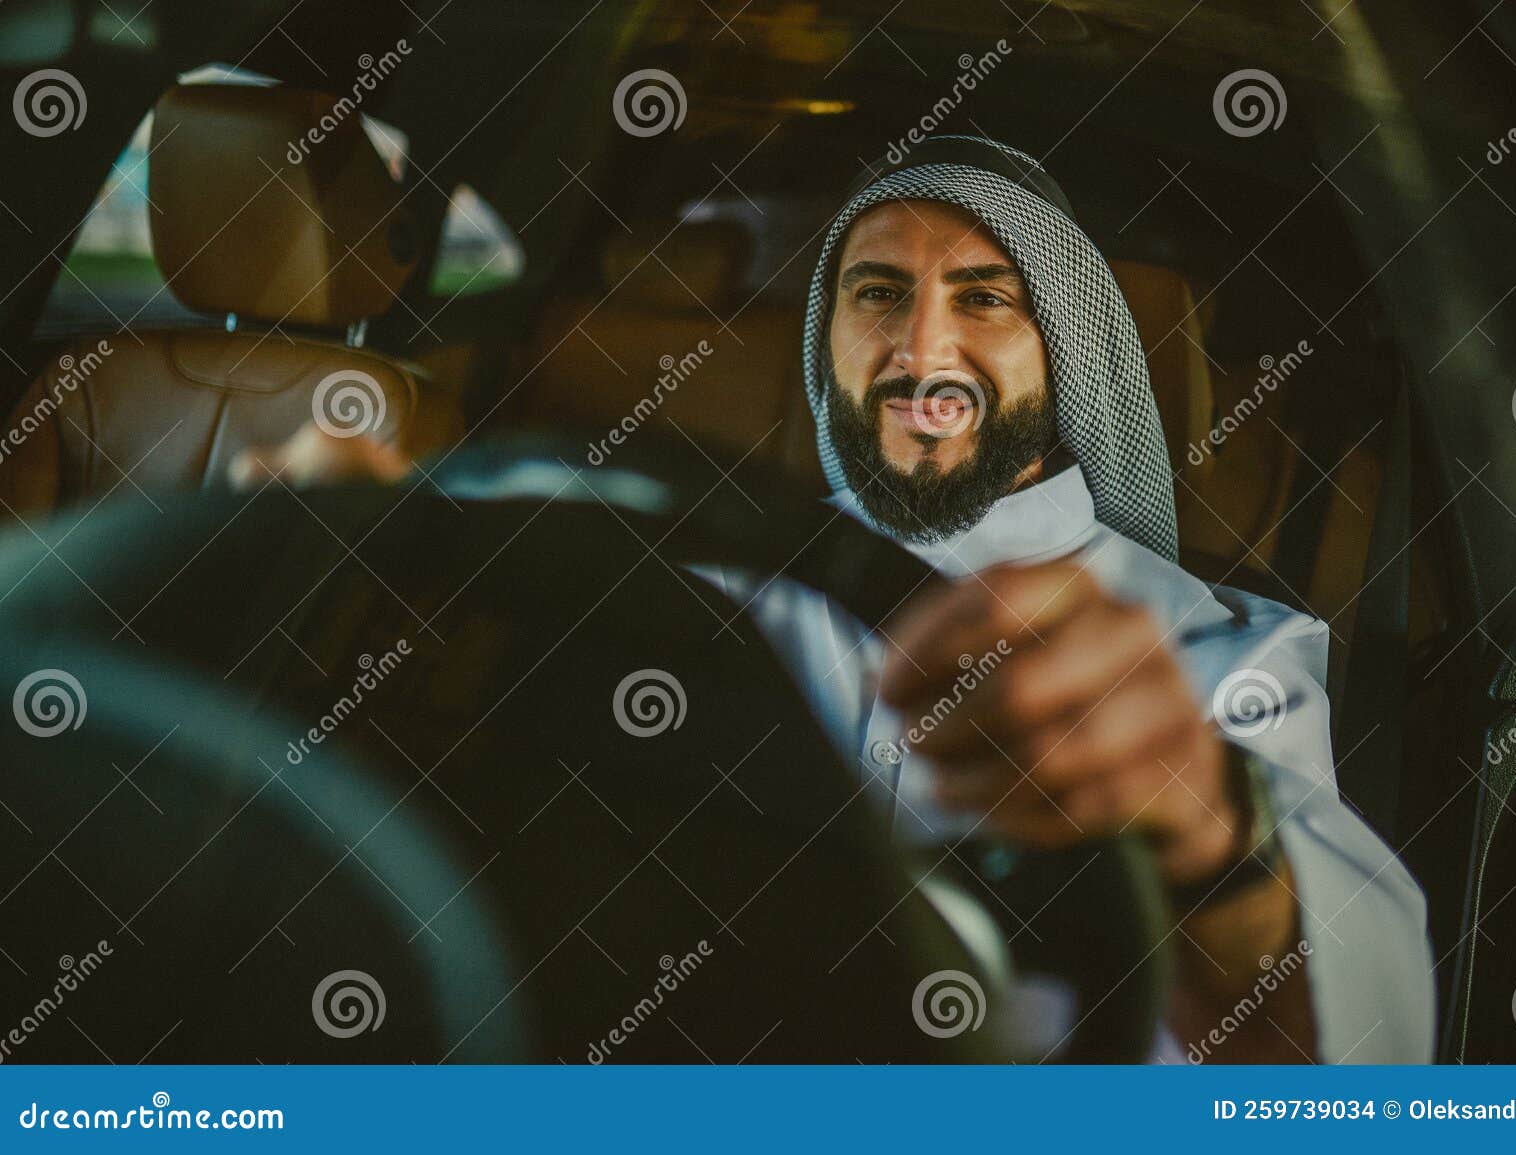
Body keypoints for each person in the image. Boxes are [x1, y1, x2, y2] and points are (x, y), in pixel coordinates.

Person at [233, 135, 1434, 1064]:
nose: (920, 346)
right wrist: (384, 543)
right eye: (877, 293)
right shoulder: (705, 582)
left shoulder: (1228, 654)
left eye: (982, 297)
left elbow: (1351, 1067)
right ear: (826, 345)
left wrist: (1205, 830)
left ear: (1063, 351)